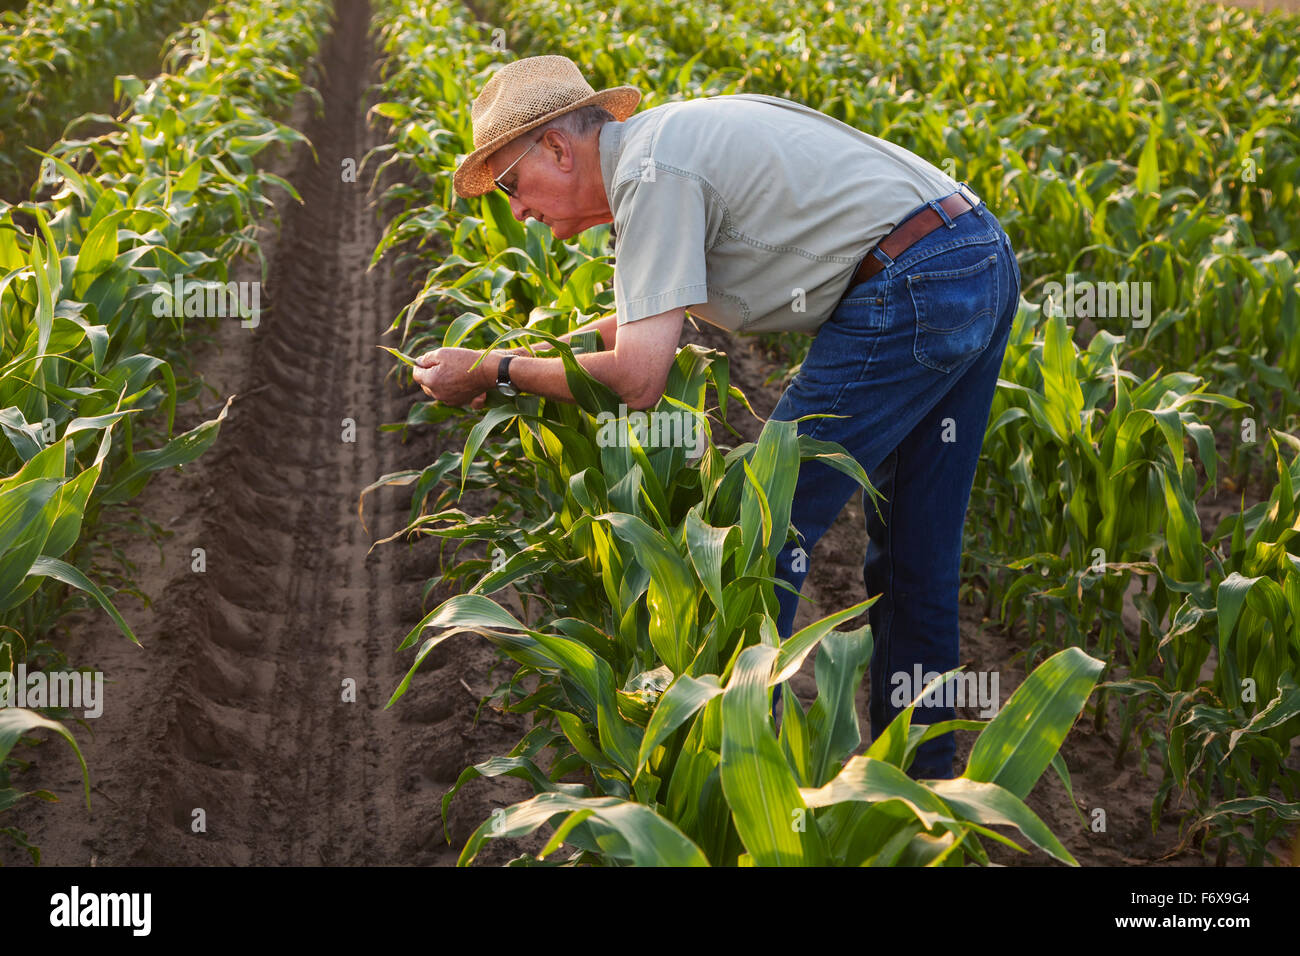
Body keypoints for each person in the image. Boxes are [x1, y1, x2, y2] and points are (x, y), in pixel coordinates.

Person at [415, 54, 1022, 780]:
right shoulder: (662, 148)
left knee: (756, 535)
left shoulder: (650, 174)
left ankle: (742, 785)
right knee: (918, 555)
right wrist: (517, 356)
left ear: (555, 146)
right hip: (971, 254)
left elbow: (640, 377)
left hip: (912, 283)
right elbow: (646, 322)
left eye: (512, 183)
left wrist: (494, 370)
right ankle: (926, 795)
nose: (515, 209)